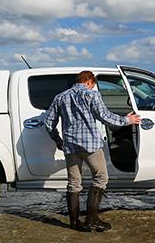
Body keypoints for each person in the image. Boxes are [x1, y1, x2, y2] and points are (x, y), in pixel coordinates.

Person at [43, 70, 141, 231]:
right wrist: (126, 120)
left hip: (70, 145)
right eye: (93, 85)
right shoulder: (92, 95)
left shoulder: (60, 97)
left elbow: (49, 123)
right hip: (90, 145)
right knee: (101, 178)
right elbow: (104, 116)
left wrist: (57, 140)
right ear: (89, 81)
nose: (92, 87)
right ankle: (92, 219)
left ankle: (74, 223)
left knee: (73, 183)